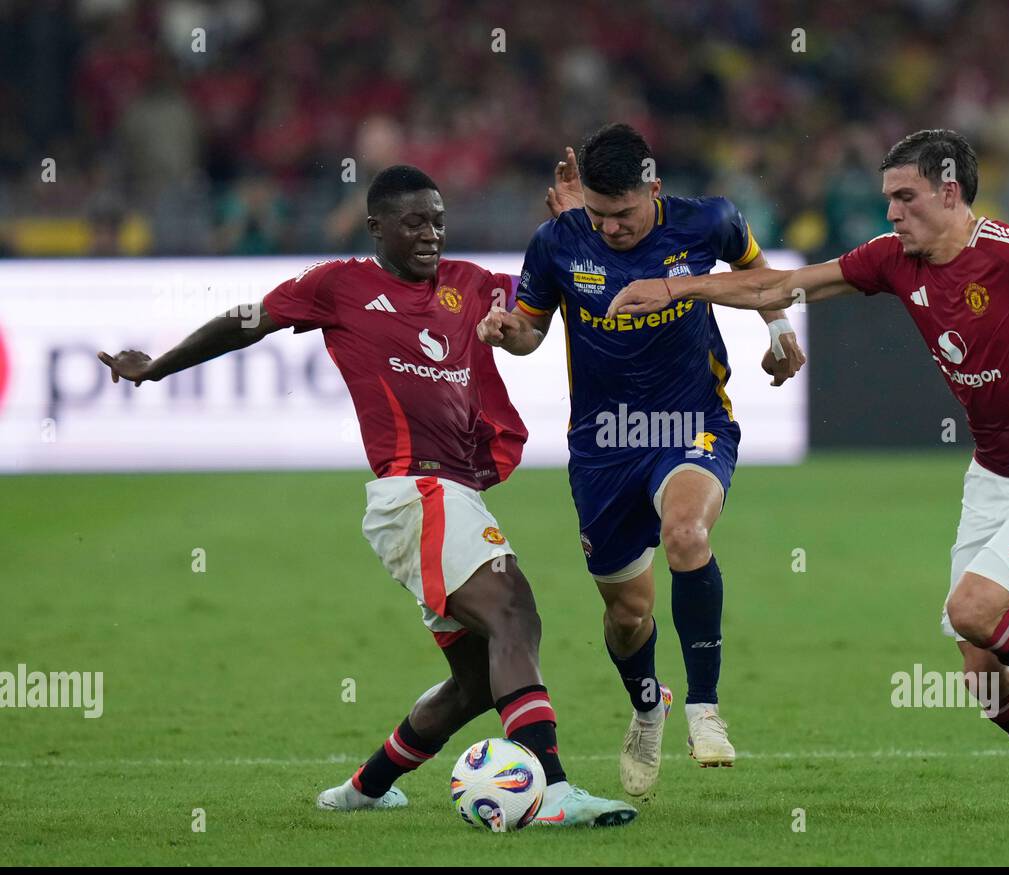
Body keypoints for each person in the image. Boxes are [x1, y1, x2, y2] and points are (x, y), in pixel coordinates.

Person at [605, 129, 1009, 815]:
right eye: (887, 198)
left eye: (904, 197)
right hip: (993, 473)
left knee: (974, 611)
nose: (890, 213)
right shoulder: (891, 260)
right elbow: (781, 283)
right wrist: (676, 287)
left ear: (949, 191)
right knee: (982, 673)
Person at [98, 164, 638, 828]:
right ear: (376, 225)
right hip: (414, 491)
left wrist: (578, 228)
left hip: (454, 494)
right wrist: (156, 367)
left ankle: (366, 787)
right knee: (513, 615)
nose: (431, 233)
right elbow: (248, 322)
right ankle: (551, 791)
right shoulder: (339, 285)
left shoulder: (470, 285)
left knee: (474, 682)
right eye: (414, 221)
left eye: (438, 220)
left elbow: (544, 300)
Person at [478, 124, 807, 797]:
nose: (610, 228)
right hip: (603, 446)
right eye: (597, 215)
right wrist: (507, 332)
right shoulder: (558, 243)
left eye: (623, 214)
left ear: (654, 190)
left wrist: (777, 328)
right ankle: (647, 706)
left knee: (687, 534)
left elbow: (760, 274)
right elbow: (532, 330)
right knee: (628, 615)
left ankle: (704, 709)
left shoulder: (708, 221)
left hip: (693, 423)